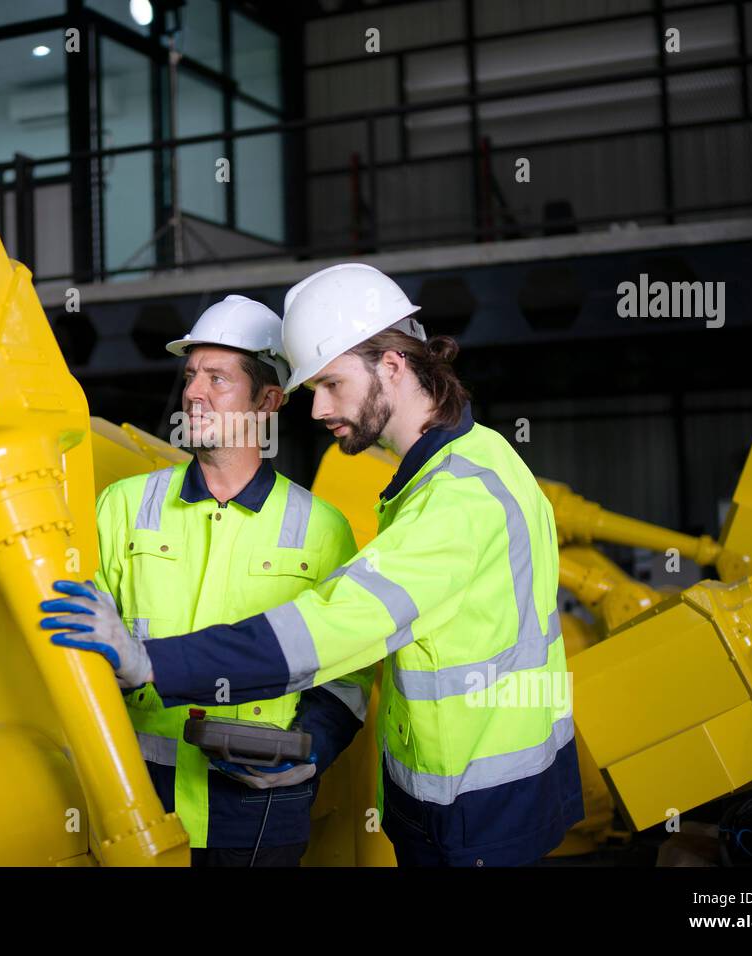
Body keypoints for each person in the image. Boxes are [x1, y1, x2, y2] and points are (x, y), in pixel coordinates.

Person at [43, 266, 583, 867]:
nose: (318, 408)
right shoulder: (468, 464)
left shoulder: (453, 499)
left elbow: (334, 629)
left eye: (330, 383)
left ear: (392, 366)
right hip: (466, 796)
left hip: (473, 808)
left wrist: (152, 661)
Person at [44, 294, 368, 867]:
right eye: (191, 375)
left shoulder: (322, 528)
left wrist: (311, 749)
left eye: (217, 379)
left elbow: (350, 675)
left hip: (259, 809)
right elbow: (78, 642)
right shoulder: (122, 507)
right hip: (138, 800)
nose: (193, 392)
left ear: (268, 399)